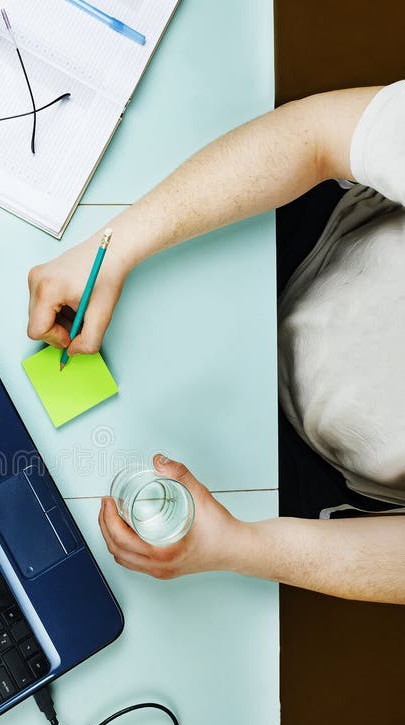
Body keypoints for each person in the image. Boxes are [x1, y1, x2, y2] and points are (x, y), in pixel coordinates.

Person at [26, 84, 405, 604]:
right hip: (298, 240)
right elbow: (317, 134)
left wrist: (234, 548)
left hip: (318, 476)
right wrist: (112, 249)